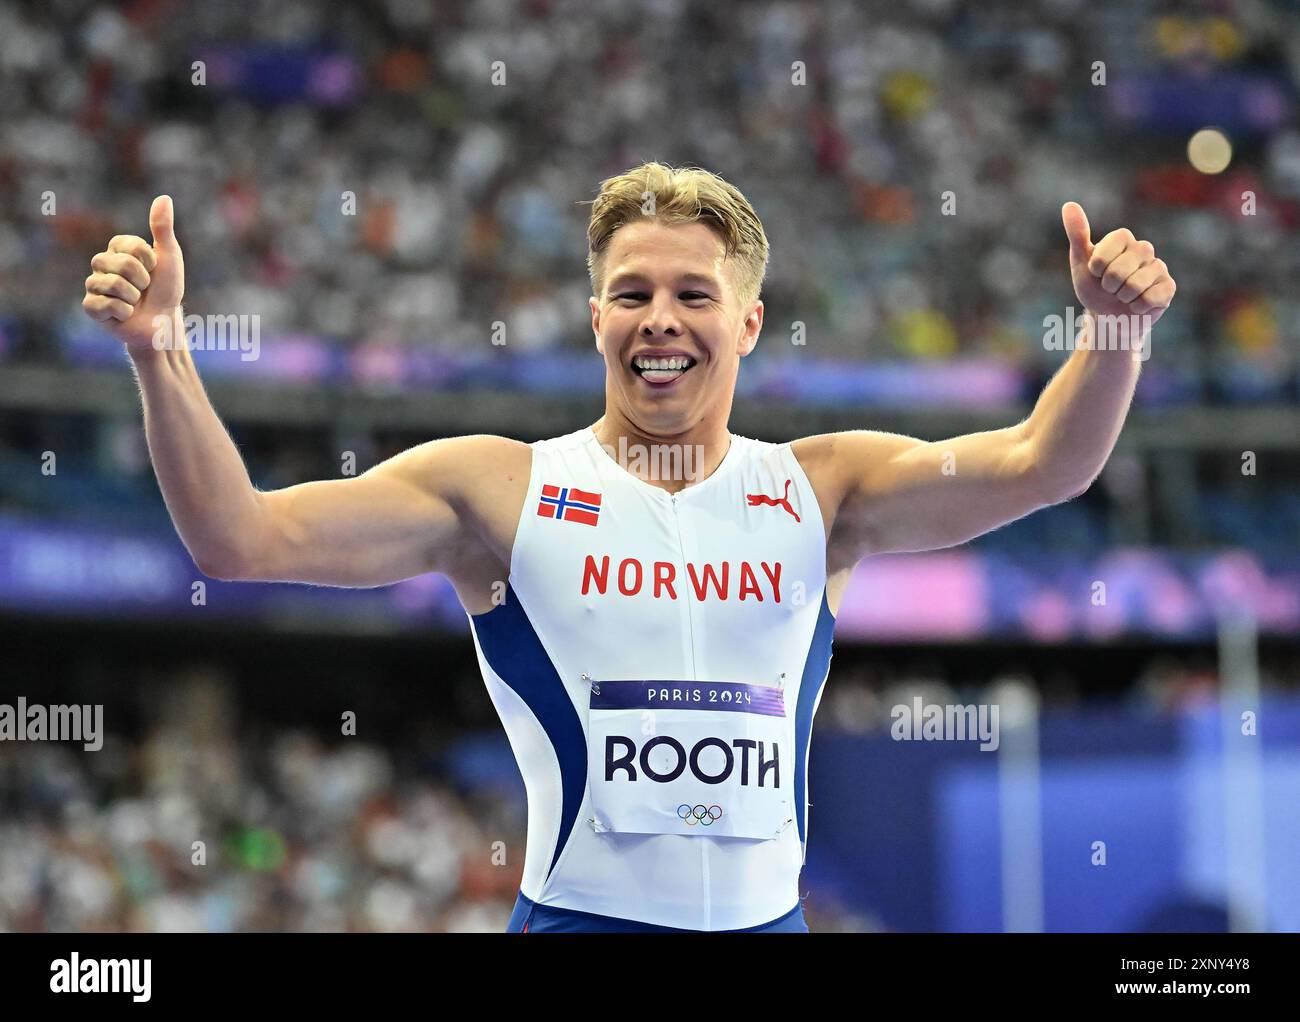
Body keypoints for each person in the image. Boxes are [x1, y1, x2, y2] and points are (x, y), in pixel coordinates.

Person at [81, 162, 1175, 932]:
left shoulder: (820, 488)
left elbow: (1045, 462)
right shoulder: (498, 487)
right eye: (631, 293)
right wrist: (161, 351)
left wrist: (1112, 335)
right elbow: (241, 535)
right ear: (594, 316)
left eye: (693, 293)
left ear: (746, 323)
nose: (660, 317)